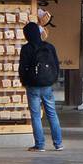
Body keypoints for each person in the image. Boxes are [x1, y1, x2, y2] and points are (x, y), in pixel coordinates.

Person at [18, 21, 63, 152]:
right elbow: (56, 65)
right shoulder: (49, 47)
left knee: (36, 116)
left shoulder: (26, 48)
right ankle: (58, 143)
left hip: (32, 85)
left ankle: (40, 144)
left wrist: (24, 81)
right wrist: (52, 79)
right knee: (52, 114)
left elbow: (22, 67)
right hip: (47, 85)